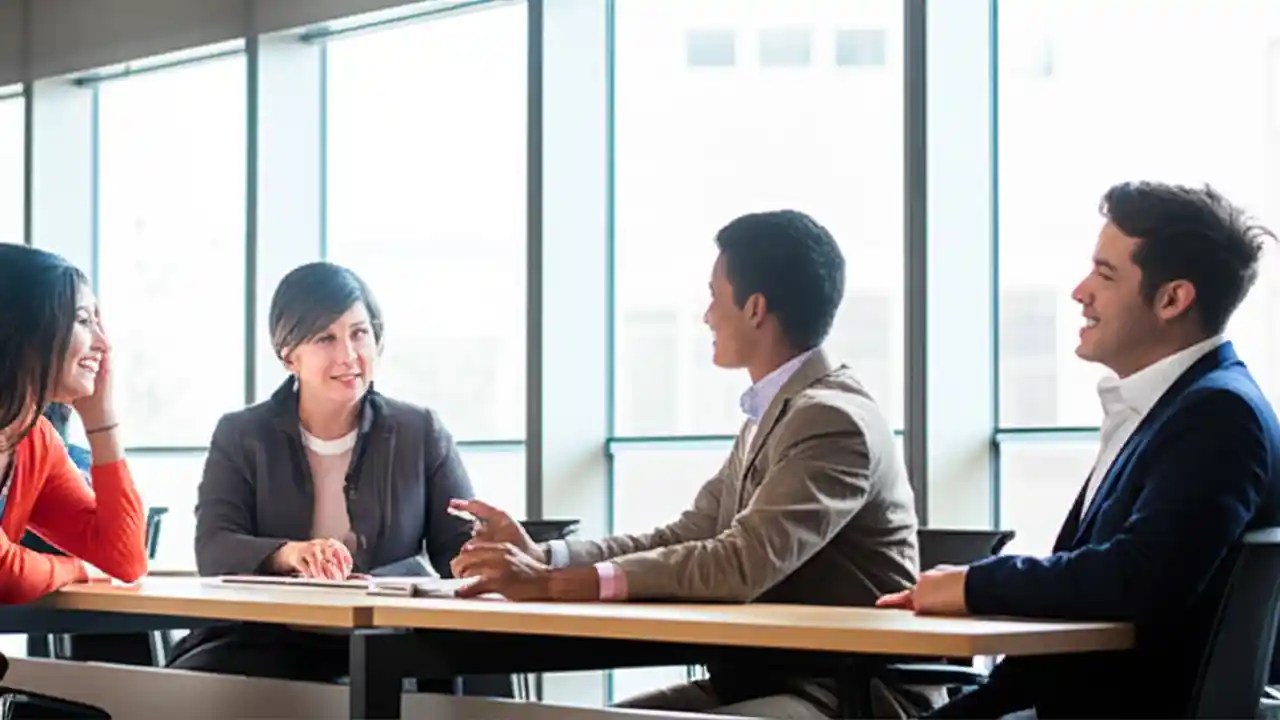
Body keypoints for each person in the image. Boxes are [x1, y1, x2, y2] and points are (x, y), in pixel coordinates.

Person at [450, 210, 930, 718]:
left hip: (847, 697)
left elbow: (740, 562)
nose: (706, 316)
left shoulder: (832, 421)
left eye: (714, 296)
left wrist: (551, 586)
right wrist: (549, 558)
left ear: (756, 308)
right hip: (766, 682)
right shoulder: (777, 414)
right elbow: (690, 533)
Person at [878, 181, 1280, 718]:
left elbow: (1139, 577)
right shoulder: (1176, 407)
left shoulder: (1217, 416)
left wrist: (975, 584)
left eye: (1105, 274)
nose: (1080, 291)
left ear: (1172, 299)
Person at [166, 261, 482, 683]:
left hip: (385, 639)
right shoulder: (242, 434)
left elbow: (460, 552)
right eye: (324, 338)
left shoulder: (420, 432)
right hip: (266, 639)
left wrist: (500, 552)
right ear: (288, 356)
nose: (348, 355)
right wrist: (290, 554)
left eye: (359, 333)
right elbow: (214, 548)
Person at [0, 244, 147, 604]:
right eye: (84, 321)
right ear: (24, 329)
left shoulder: (34, 442)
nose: (104, 343)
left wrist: (101, 421)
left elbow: (124, 557)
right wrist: (72, 568)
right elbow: (8, 574)